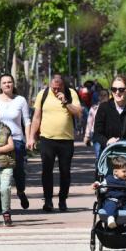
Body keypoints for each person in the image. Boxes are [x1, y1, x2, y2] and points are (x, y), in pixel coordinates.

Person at [27, 73, 83, 212]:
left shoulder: (71, 93)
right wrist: (31, 137)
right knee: (47, 171)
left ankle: (62, 200)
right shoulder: (43, 94)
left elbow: (78, 113)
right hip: (47, 139)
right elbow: (36, 117)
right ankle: (48, 200)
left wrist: (66, 102)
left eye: (58, 88)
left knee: (65, 172)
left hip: (66, 139)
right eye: (53, 88)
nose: (56, 90)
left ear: (63, 85)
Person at [0, 74, 33, 210]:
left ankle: (20, 191)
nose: (7, 84)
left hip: (17, 140)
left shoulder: (20, 100)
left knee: (18, 171)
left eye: (9, 82)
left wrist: (29, 138)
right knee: (0, 170)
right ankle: (2, 200)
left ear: (13, 84)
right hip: (0, 140)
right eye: (4, 82)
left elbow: (27, 121)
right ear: (0, 85)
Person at [93, 156, 126, 230]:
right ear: (115, 172)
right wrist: (97, 186)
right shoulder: (109, 180)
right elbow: (102, 188)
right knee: (110, 205)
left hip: (125, 201)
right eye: (124, 171)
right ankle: (110, 218)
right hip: (112, 200)